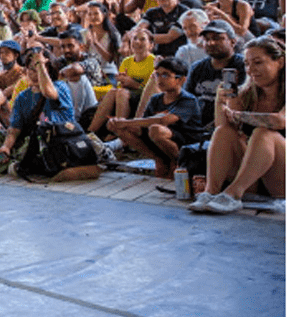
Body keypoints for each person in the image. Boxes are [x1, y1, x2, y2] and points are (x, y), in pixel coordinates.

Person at [189, 36, 285, 214]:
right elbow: (223, 128)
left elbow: (280, 121)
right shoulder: (246, 93)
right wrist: (223, 101)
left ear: (280, 62)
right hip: (253, 177)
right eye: (247, 64)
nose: (251, 70)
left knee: (264, 133)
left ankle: (233, 194)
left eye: (258, 62)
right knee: (224, 132)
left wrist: (241, 115)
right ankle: (211, 192)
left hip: (283, 179)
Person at [0, 47, 75, 175]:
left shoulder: (60, 86)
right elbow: (15, 129)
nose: (33, 73)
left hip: (55, 140)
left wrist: (40, 63)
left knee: (35, 141)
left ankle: (16, 164)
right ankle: (16, 162)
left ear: (49, 70)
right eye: (31, 69)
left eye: (38, 70)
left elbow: (48, 92)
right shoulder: (23, 96)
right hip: (27, 141)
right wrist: (6, 147)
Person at [106, 58, 201, 179]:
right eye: (158, 74)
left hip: (185, 144)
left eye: (166, 75)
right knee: (116, 126)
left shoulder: (188, 100)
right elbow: (142, 126)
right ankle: (159, 159)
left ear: (181, 79)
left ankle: (177, 161)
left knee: (156, 130)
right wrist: (118, 124)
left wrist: (126, 122)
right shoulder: (156, 99)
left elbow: (164, 120)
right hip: (159, 142)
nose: (160, 79)